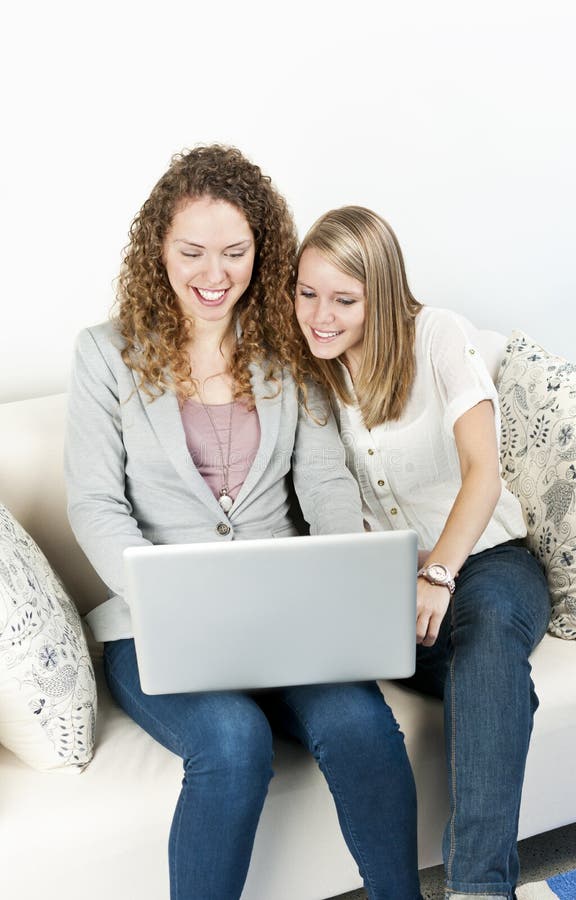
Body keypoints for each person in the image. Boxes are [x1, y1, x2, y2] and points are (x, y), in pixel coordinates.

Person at [65, 149, 422, 900]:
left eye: (235, 252)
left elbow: (324, 481)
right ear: (157, 249)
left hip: (287, 617)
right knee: (232, 743)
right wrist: (164, 594)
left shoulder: (288, 347)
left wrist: (348, 578)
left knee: (361, 727)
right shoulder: (104, 355)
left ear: (262, 252)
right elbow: (96, 504)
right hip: (156, 625)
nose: (214, 273)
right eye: (191, 252)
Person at [294, 205, 551, 900]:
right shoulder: (309, 378)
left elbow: (483, 471)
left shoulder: (437, 334)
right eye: (307, 293)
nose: (321, 316)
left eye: (344, 300)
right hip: (393, 594)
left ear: (380, 294)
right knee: (493, 677)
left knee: (490, 631)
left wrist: (439, 571)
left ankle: (476, 889)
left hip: (489, 562)